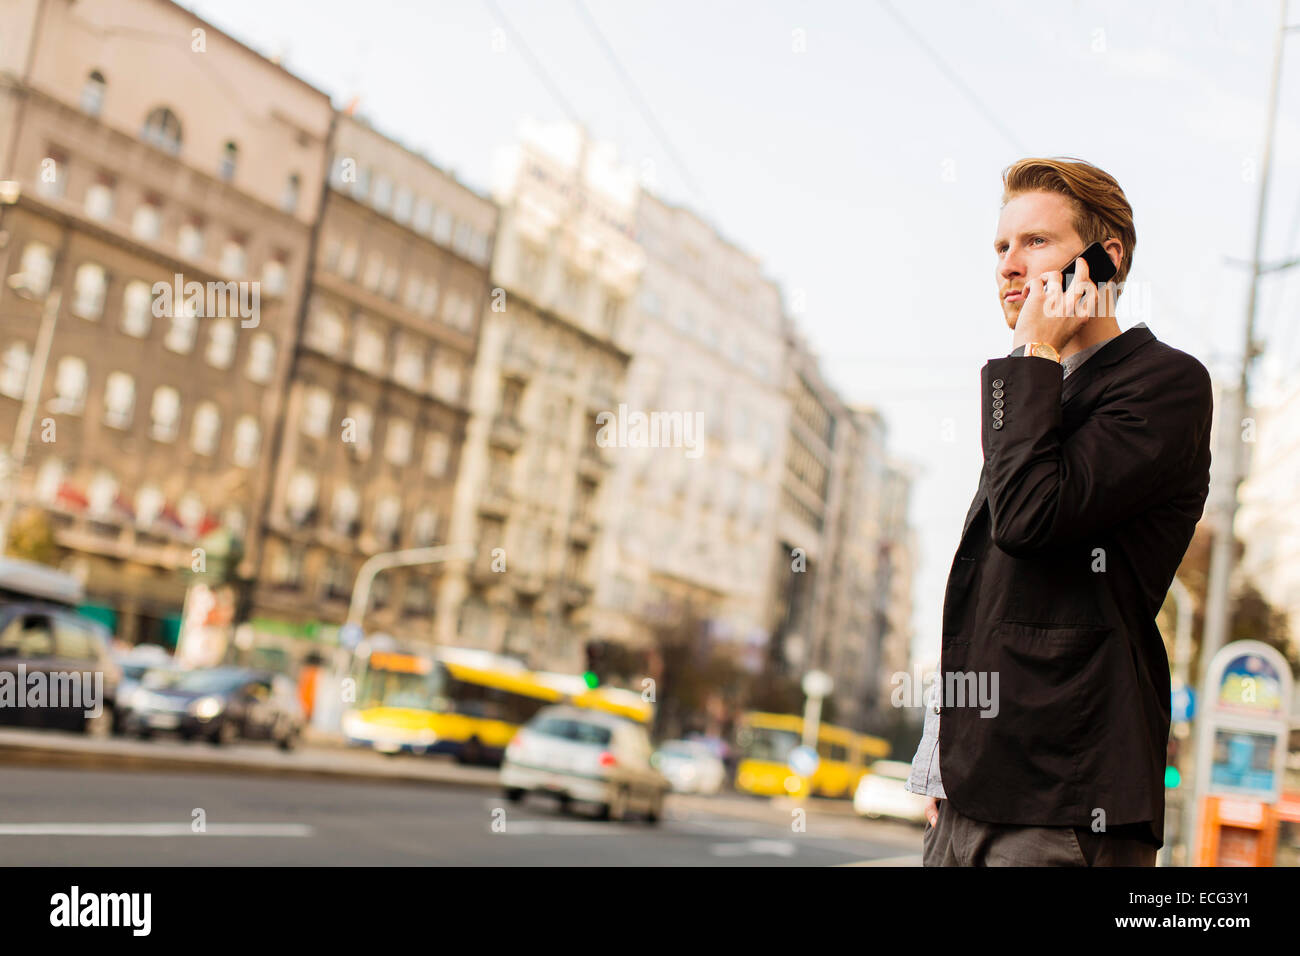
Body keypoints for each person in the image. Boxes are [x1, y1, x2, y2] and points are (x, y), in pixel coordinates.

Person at [904, 157, 1213, 866]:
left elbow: (1029, 521)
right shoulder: (1040, 392)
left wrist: (1033, 350)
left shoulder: (1165, 385)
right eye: (1001, 247)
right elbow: (988, 595)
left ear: (1105, 262)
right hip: (970, 796)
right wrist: (940, 757)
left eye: (1035, 243)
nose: (1010, 266)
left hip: (1065, 805)